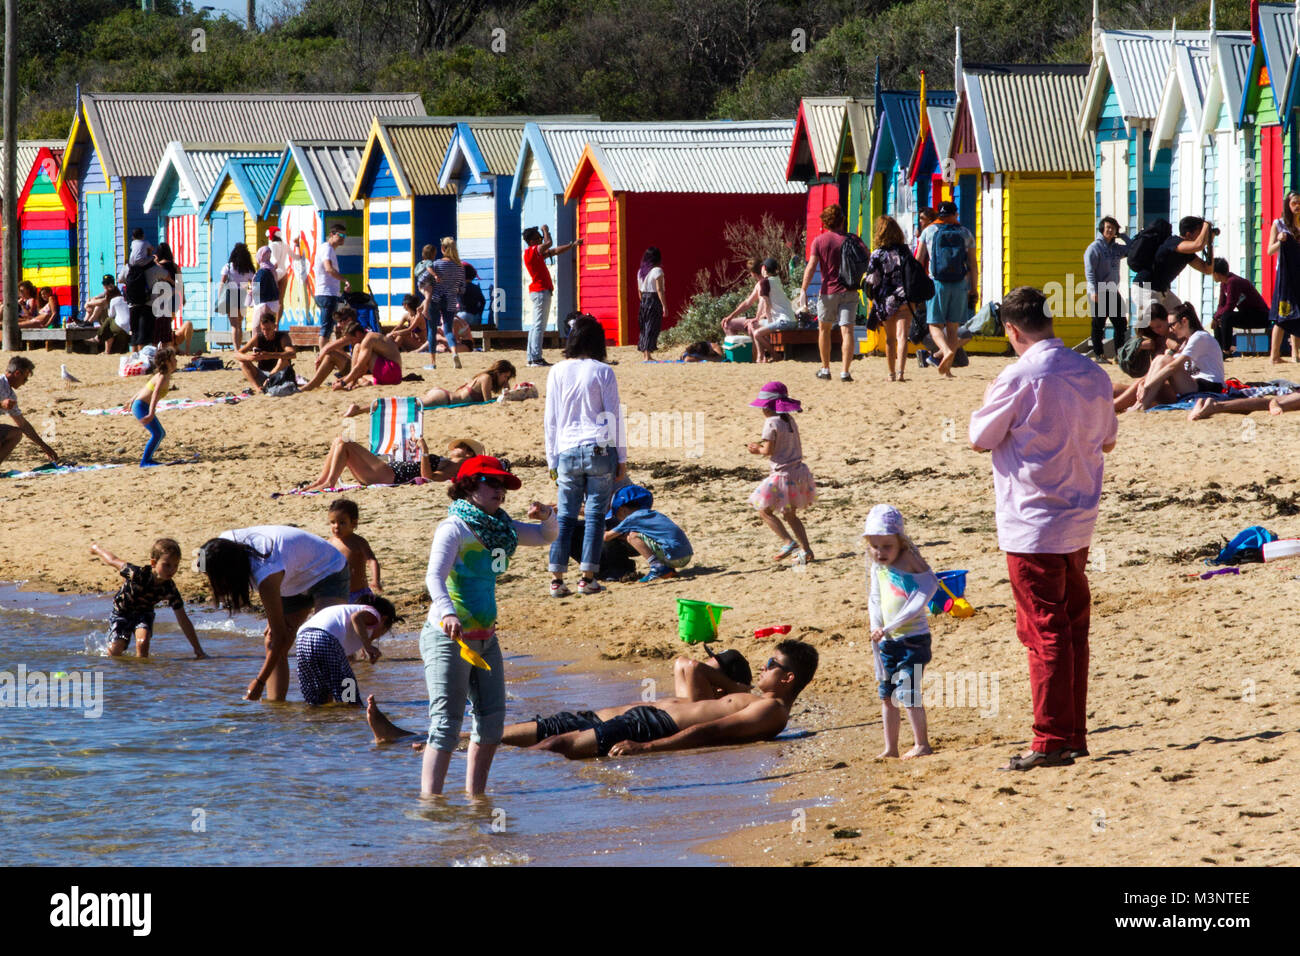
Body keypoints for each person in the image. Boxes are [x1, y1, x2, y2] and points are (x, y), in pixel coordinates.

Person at [969, 286, 1117, 770]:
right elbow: (1108, 440)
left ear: (1012, 330)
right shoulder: (1092, 372)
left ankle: (1052, 738)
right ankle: (1070, 734)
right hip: (1078, 515)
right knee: (1072, 627)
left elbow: (979, 438)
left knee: (1044, 629)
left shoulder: (1019, 376)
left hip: (1033, 518)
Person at [388, 456, 557, 796]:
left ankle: (476, 798)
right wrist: (448, 612)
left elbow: (544, 537)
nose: (500, 490)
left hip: (486, 639)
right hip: (447, 638)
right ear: (468, 485)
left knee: (492, 722)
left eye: (503, 484)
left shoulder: (503, 527)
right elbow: (433, 577)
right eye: (491, 483)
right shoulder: (453, 528)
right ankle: (431, 802)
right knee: (447, 725)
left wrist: (549, 516)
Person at [522, 640, 819, 759]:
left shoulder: (772, 710)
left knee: (557, 744)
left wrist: (646, 746)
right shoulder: (758, 700)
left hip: (653, 727)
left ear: (787, 678)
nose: (763, 666)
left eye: (771, 662)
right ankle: (492, 761)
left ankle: (508, 780)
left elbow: (713, 731)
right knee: (546, 731)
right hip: (645, 719)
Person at [198, 525, 350, 701]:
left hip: (328, 569)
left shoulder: (265, 573)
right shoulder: (221, 543)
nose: (213, 582)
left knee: (323, 642)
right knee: (271, 640)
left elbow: (281, 637)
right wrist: (275, 619)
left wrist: (259, 681)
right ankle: (276, 709)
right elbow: (200, 561)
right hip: (291, 577)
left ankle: (336, 705)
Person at [491, 651, 757, 749]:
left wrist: (735, 687)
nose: (695, 672)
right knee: (497, 734)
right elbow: (682, 663)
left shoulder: (704, 702)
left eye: (713, 672)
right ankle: (461, 739)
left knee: (550, 746)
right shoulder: (688, 696)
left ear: (721, 687)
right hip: (595, 717)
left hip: (620, 726)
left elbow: (693, 665)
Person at [545, 316, 626, 597]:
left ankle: (556, 579)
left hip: (566, 449)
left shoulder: (556, 371)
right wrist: (623, 457)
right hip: (599, 448)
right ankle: (587, 577)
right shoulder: (603, 371)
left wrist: (551, 460)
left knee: (565, 516)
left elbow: (551, 420)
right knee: (594, 516)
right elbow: (613, 417)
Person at [863, 504, 938, 759]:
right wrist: (877, 627)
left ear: (901, 542)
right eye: (875, 546)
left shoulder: (909, 560)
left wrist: (890, 626)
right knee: (888, 695)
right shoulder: (877, 566)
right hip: (887, 641)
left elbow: (928, 586)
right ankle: (891, 748)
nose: (880, 552)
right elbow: (874, 598)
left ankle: (922, 744)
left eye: (887, 546)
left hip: (912, 640)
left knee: (907, 692)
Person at [90, 538, 206, 659]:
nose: (172, 570)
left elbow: (183, 619)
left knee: (142, 642)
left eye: (175, 565)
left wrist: (198, 650)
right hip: (122, 613)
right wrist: (97, 550)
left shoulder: (169, 588)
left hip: (144, 614)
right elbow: (113, 561)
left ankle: (141, 673)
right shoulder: (137, 574)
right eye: (167, 565)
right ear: (153, 563)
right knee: (115, 651)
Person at [746, 381, 816, 564]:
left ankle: (788, 541)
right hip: (798, 472)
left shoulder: (770, 422)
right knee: (790, 514)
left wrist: (756, 449)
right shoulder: (789, 420)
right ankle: (806, 550)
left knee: (764, 510)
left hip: (782, 475)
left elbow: (768, 450)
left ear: (767, 407)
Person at [295, 596, 401, 707]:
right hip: (324, 637)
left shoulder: (344, 613)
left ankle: (323, 720)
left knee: (318, 694)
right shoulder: (374, 613)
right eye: (383, 631)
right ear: (384, 620)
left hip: (302, 639)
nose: (378, 636)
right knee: (349, 691)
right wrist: (368, 645)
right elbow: (356, 618)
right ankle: (351, 714)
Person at [915, 200, 977, 378]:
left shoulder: (929, 231)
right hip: (959, 283)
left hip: (937, 283)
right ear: (955, 214)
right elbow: (972, 264)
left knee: (934, 325)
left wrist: (918, 285)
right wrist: (973, 288)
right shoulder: (965, 233)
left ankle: (944, 351)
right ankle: (948, 369)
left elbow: (919, 260)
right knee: (952, 327)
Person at [301, 436, 483, 493]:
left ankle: (329, 482)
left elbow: (428, 478)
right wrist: (396, 455)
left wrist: (425, 451)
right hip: (387, 470)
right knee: (338, 442)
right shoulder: (449, 460)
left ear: (469, 454)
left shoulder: (459, 464)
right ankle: (321, 481)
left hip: (389, 475)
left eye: (461, 446)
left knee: (345, 443)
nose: (455, 447)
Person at [800, 204, 858, 382]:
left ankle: (825, 369)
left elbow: (811, 267)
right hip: (850, 289)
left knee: (824, 330)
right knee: (847, 331)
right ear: (842, 219)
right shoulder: (853, 239)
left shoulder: (820, 241)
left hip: (828, 291)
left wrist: (803, 289)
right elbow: (868, 258)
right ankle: (845, 372)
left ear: (825, 222)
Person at [1132, 303, 1225, 411]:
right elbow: (1164, 363)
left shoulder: (1200, 337)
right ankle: (1139, 404)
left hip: (1209, 387)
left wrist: (1147, 385)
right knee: (1160, 359)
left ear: (1184, 321)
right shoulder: (1187, 341)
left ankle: (1142, 405)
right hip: (1194, 384)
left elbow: (1172, 367)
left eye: (1172, 325)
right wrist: (1144, 382)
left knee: (1163, 360)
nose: (1171, 329)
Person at [603, 483, 693, 583]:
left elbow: (606, 537)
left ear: (622, 509)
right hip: (686, 555)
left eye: (616, 515)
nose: (618, 519)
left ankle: (657, 567)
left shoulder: (632, 518)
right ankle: (668, 569)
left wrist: (594, 527)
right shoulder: (650, 514)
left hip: (675, 557)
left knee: (632, 537)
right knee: (638, 536)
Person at [864, 215, 917, 382]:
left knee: (890, 338)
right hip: (905, 298)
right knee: (902, 336)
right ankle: (901, 373)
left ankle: (891, 374)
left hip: (886, 300)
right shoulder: (905, 251)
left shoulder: (877, 254)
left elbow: (872, 280)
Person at [523, 224, 582, 367]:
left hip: (539, 292)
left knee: (535, 326)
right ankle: (536, 358)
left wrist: (572, 245)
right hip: (541, 291)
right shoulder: (532, 251)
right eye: (538, 239)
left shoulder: (533, 253)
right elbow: (549, 244)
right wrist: (545, 231)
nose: (541, 240)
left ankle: (532, 357)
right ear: (531, 241)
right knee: (539, 326)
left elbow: (554, 251)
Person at [1133, 215, 1213, 319]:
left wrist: (1210, 244)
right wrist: (1206, 225)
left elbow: (1207, 269)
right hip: (1145, 288)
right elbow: (1198, 245)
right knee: (1155, 323)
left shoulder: (1187, 253)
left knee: (1181, 316)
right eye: (1200, 232)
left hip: (1162, 291)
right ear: (1188, 234)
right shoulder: (1173, 242)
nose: (1203, 236)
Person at [1084, 216, 1130, 362]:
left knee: (1121, 323)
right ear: (1102, 228)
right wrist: (1093, 291)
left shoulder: (1116, 248)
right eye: (1108, 227)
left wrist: (1123, 236)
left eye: (1113, 228)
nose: (1110, 230)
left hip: (1112, 290)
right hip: (1099, 290)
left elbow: (1132, 248)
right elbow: (1089, 271)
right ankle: (1099, 354)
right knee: (1099, 324)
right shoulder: (1094, 248)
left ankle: (1119, 354)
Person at [1111, 303, 1172, 412]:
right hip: (1154, 385)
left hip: (1169, 387)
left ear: (1167, 319)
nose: (1156, 330)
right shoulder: (1156, 339)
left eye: (1159, 326)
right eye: (1152, 328)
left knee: (1137, 386)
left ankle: (1109, 407)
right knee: (1113, 389)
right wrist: (1140, 345)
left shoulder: (1175, 338)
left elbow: (1168, 370)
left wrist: (1144, 382)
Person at [0, 357, 58, 469]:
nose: (24, 383)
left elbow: (23, 424)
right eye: (25, 379)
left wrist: (44, 446)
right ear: (17, 373)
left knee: (16, 433)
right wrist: (1, 405)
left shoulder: (11, 395)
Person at [1266, 191, 1300, 364]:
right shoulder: (1279, 224)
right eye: (1294, 203)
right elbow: (1269, 250)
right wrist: (1281, 240)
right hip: (1285, 274)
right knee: (1283, 312)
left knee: (1298, 311)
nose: (1297, 206)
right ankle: (1275, 355)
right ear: (1287, 204)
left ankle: (1295, 353)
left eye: (1299, 203)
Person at [130, 346, 177, 467]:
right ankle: (145, 461)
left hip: (141, 405)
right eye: (174, 358)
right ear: (167, 361)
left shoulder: (164, 375)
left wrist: (131, 399)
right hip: (141, 406)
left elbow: (146, 387)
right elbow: (155, 394)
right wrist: (151, 412)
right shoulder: (162, 376)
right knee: (157, 434)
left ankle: (148, 460)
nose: (176, 361)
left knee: (160, 433)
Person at [1211, 257, 1269, 357]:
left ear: (1217, 273)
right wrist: (1215, 317)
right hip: (1247, 314)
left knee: (1226, 317)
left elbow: (1230, 306)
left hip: (1260, 315)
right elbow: (1221, 304)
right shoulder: (1224, 284)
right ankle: (1218, 351)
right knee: (1220, 318)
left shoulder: (1233, 281)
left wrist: (1216, 317)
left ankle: (1226, 351)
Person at [326, 498, 381, 602]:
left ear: (354, 523)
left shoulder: (358, 542)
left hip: (359, 594)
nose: (336, 527)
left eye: (342, 523)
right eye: (333, 522)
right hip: (337, 595)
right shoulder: (329, 543)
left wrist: (375, 579)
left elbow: (371, 560)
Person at [750, 258, 799, 363]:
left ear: (764, 268)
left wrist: (768, 318)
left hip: (783, 321)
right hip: (791, 319)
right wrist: (759, 318)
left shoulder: (764, 282)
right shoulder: (776, 279)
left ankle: (775, 355)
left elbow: (766, 303)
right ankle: (761, 357)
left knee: (757, 334)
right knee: (756, 326)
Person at [234, 313, 297, 393]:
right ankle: (257, 388)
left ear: (274, 326)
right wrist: (250, 358)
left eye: (268, 329)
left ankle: (269, 379)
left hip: (278, 373)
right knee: (242, 363)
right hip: (262, 374)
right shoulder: (258, 337)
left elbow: (292, 354)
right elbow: (237, 354)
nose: (265, 332)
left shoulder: (282, 337)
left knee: (283, 360)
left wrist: (269, 355)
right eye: (263, 329)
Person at [426, 237, 466, 364]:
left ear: (443, 249)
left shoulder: (436, 264)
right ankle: (454, 353)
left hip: (436, 299)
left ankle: (432, 362)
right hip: (450, 301)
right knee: (448, 329)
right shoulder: (460, 267)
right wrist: (453, 289)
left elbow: (428, 282)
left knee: (432, 329)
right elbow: (462, 289)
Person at [299, 311, 361, 392]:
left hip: (361, 370)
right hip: (359, 367)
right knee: (333, 352)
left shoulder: (353, 332)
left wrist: (319, 360)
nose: (339, 324)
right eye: (338, 321)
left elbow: (326, 348)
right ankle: (312, 384)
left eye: (342, 320)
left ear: (350, 319)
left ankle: (312, 384)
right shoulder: (357, 330)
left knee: (331, 354)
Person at [313, 223, 350, 350]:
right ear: (331, 234)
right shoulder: (327, 248)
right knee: (327, 327)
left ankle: (332, 353)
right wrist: (344, 280)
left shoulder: (329, 249)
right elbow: (328, 269)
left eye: (344, 235)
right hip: (326, 293)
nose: (343, 238)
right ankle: (322, 355)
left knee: (333, 325)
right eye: (340, 235)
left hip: (329, 293)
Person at [420, 359, 515, 408]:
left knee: (414, 404)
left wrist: (506, 387)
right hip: (445, 398)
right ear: (498, 373)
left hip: (443, 395)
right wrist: (505, 390)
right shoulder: (486, 378)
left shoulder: (484, 377)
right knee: (412, 406)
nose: (506, 380)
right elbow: (488, 402)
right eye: (505, 377)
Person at [331, 326, 403, 390]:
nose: (351, 343)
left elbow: (360, 366)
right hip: (396, 376)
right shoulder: (372, 335)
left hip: (390, 371)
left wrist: (343, 383)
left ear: (358, 334)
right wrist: (344, 378)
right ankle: (356, 381)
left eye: (351, 340)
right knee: (361, 378)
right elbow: (362, 370)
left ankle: (352, 381)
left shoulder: (367, 340)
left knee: (357, 347)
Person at [218, 243, 256, 350]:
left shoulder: (228, 266)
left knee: (234, 325)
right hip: (243, 295)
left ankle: (236, 348)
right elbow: (253, 283)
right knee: (239, 323)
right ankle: (239, 347)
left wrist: (220, 296)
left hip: (231, 295)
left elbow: (222, 282)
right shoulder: (248, 269)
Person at [636, 246, 667, 362]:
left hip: (644, 299)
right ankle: (648, 355)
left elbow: (639, 291)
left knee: (644, 327)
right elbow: (660, 290)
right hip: (653, 299)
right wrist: (664, 305)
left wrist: (643, 302)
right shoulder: (657, 271)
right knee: (652, 326)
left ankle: (645, 354)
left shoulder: (641, 272)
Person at [266, 225, 291, 319]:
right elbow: (296, 256)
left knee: (271, 300)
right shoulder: (285, 245)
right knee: (280, 301)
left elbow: (274, 261)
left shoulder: (272, 245)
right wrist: (297, 244)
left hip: (275, 273)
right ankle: (277, 325)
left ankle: (271, 323)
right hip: (284, 272)